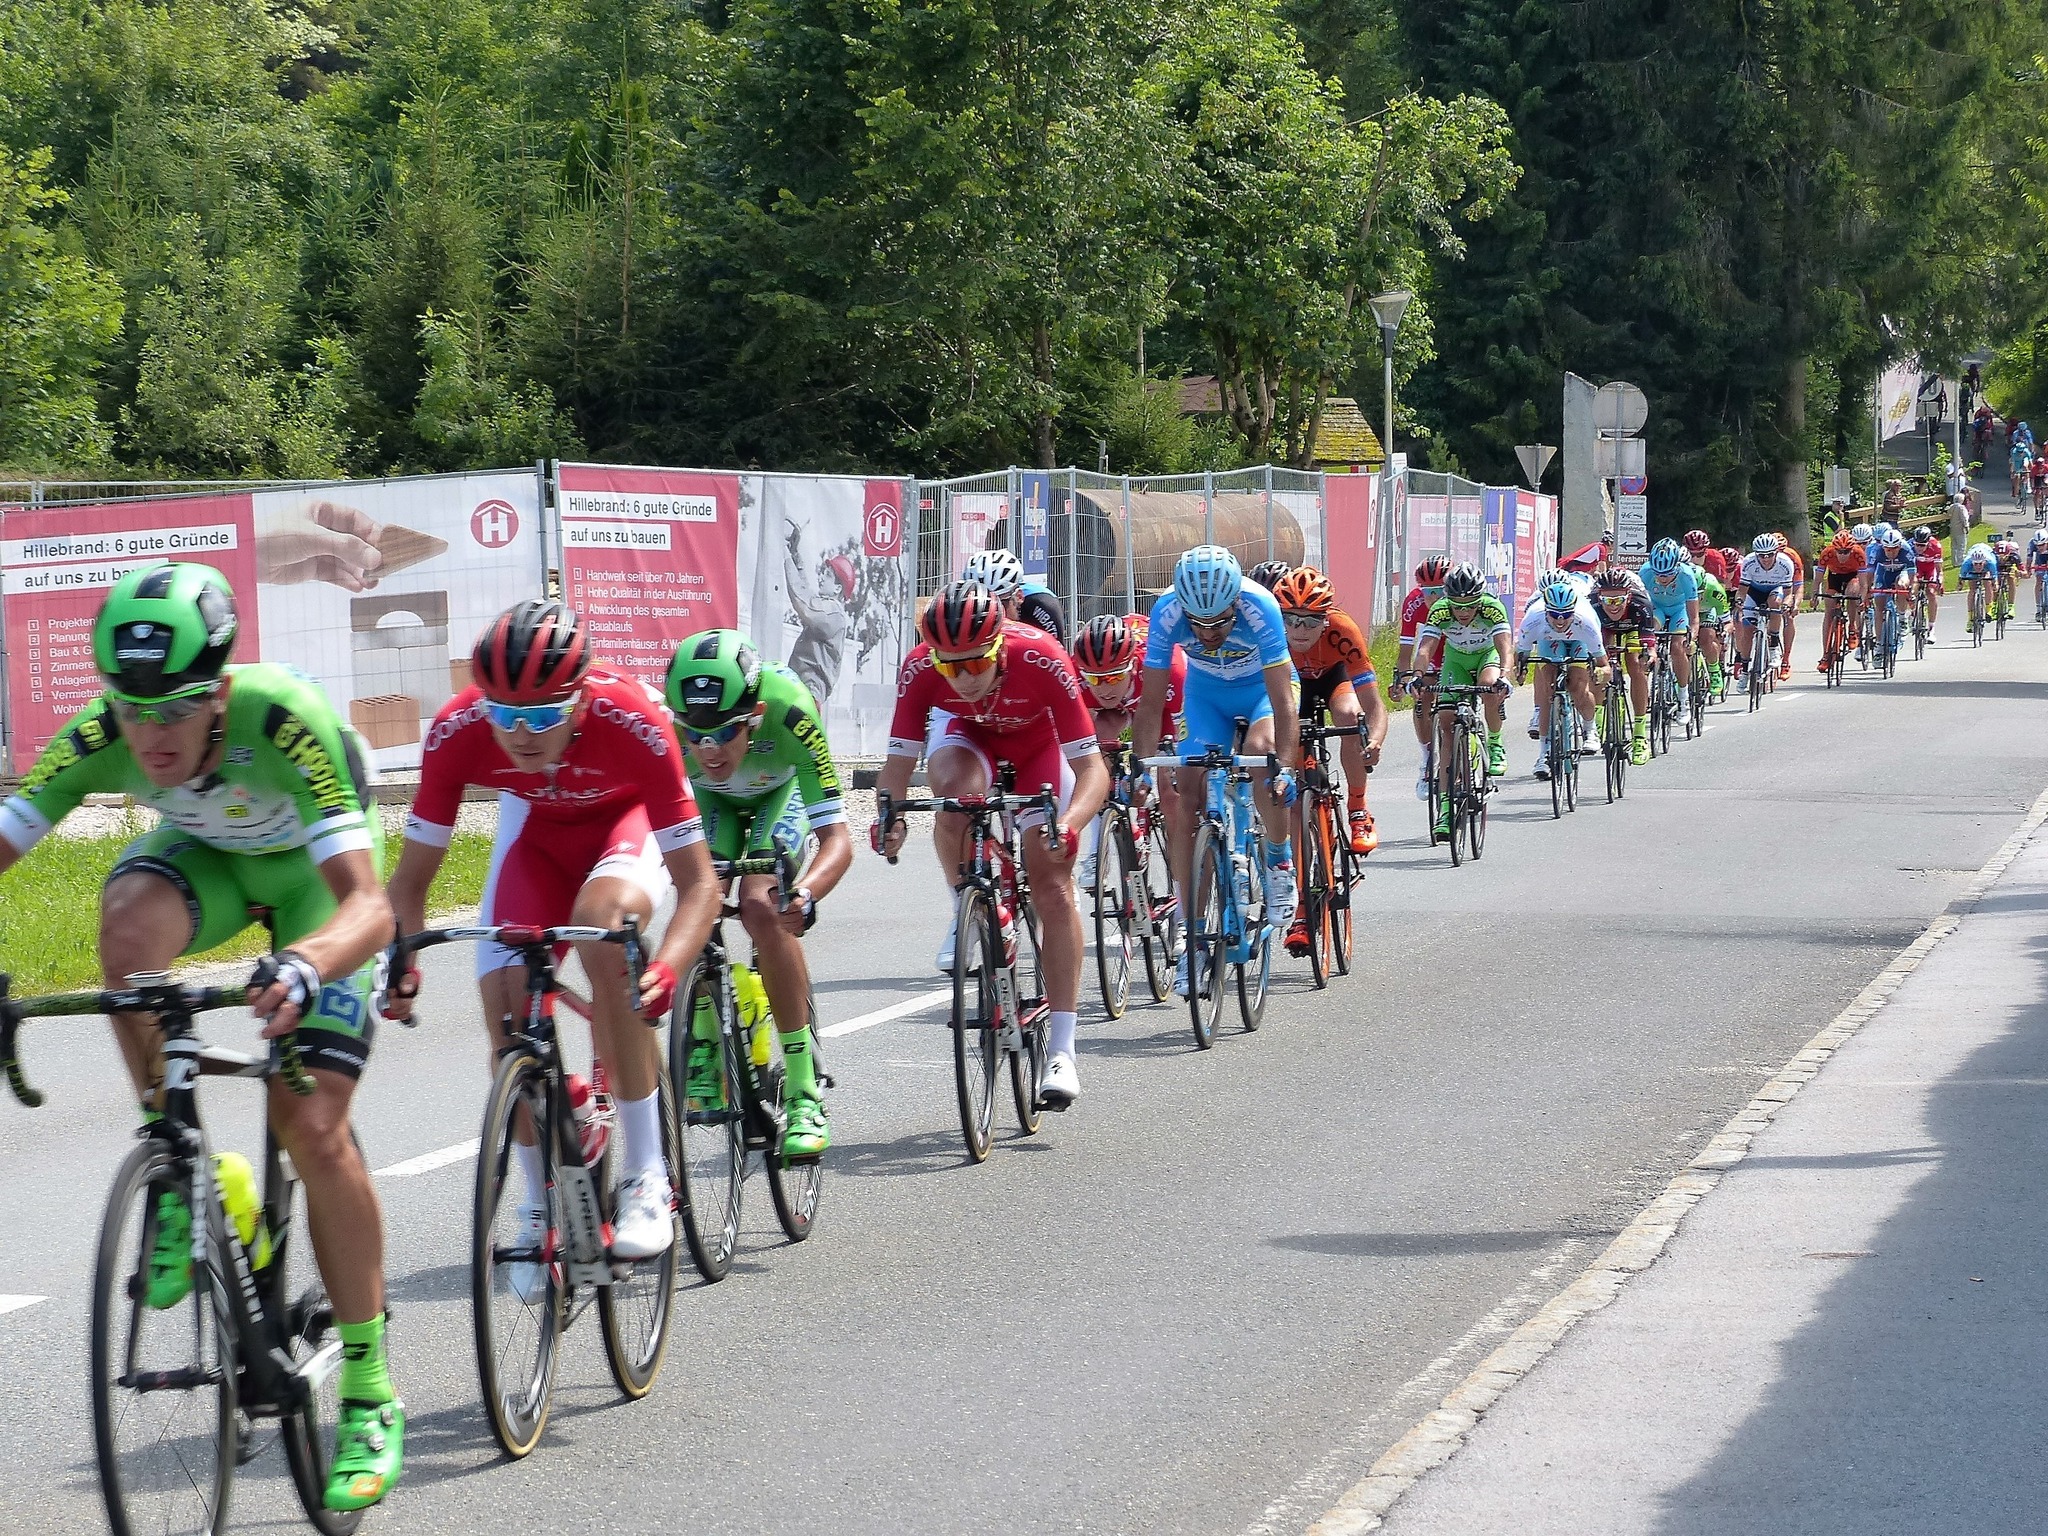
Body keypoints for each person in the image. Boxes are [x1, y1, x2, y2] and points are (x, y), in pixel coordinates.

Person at [0, 562, 403, 1511]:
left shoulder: (282, 717)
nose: (150, 735)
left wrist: (307, 966)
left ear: (218, 689)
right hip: (212, 865)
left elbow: (370, 907)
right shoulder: (110, 732)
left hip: (316, 888)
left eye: (176, 709)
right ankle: (181, 1159)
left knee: (310, 1122)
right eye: (132, 710)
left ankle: (370, 1385)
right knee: (125, 931)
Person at [386, 601, 721, 1281]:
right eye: (505, 716)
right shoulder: (458, 730)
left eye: (542, 717)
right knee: (507, 1007)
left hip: (623, 826)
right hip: (538, 836)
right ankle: (538, 1208)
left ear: (580, 698)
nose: (522, 734)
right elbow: (411, 882)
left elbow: (701, 887)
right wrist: (403, 957)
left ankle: (645, 1175)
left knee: (603, 927)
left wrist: (669, 966)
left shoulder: (633, 719)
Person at [875, 582, 1107, 1101]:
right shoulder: (920, 669)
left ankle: (1064, 1051)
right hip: (969, 738)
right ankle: (971, 903)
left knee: (1051, 883)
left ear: (1000, 648)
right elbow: (896, 768)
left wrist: (1067, 824)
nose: (963, 678)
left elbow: (1093, 772)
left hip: (1039, 748)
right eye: (949, 667)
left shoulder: (1042, 658)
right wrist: (888, 818)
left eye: (975, 665)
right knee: (953, 800)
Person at [664, 629, 853, 1160]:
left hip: (779, 790)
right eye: (694, 734)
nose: (708, 748)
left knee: (759, 904)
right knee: (696, 898)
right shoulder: (672, 732)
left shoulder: (791, 711)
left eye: (724, 732)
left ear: (755, 713)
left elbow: (837, 839)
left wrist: (808, 894)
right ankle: (707, 1033)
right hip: (710, 799)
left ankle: (802, 1092)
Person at [1130, 547, 1300, 997]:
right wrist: (1142, 770)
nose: (1208, 632)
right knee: (1186, 785)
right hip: (1207, 697)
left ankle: (1279, 859)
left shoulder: (1260, 606)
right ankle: (1191, 935)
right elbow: (1149, 705)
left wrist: (1284, 767)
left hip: (1260, 694)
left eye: (1220, 622)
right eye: (1198, 624)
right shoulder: (1167, 612)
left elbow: (1284, 703)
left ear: (1234, 605)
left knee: (1261, 751)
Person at [1270, 566, 1386, 862]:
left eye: (1310, 622)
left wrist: (1373, 741)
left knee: (1349, 715)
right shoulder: (1269, 632)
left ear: (1326, 619)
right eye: (1291, 620)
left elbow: (1373, 704)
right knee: (1290, 751)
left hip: (1334, 678)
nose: (1299, 630)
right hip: (1294, 686)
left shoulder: (1343, 629)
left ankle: (1358, 809)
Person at [1069, 612, 1183, 886]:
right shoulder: (1074, 675)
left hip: (1158, 707)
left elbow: (1180, 729)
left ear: (1131, 666)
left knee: (1171, 791)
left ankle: (1183, 889)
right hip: (1117, 712)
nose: (1104, 688)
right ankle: (1100, 848)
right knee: (1095, 752)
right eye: (1095, 680)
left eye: (1113, 678)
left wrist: (1153, 771)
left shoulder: (1168, 668)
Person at [1412, 562, 1513, 839]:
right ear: (1449, 601)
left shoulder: (1492, 607)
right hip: (1455, 660)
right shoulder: (1440, 610)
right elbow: (1425, 647)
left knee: (1489, 686)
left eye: (1470, 605)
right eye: (1458, 606)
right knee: (1445, 725)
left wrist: (1505, 675)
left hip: (1486, 656)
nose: (1465, 612)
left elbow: (1505, 646)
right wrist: (1418, 675)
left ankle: (1494, 743)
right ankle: (1445, 811)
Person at [1514, 578, 1602, 777]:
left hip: (1579, 639)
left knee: (1578, 686)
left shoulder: (1585, 619)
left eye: (1565, 615)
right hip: (1549, 640)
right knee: (1548, 692)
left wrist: (1601, 672)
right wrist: (1520, 672)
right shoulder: (1533, 619)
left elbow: (1602, 662)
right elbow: (1521, 656)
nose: (1560, 620)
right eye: (1554, 615)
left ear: (1574, 610)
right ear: (1546, 611)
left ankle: (1590, 729)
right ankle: (1544, 754)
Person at [1390, 557, 1451, 801]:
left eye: (1440, 591)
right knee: (1422, 696)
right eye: (1429, 591)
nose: (1434, 597)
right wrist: (1403, 681)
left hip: (1459, 649)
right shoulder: (1413, 603)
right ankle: (1427, 760)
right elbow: (1406, 653)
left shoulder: (1461, 600)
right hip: (1431, 651)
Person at [1590, 567, 1656, 765]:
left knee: (1637, 665)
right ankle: (1599, 719)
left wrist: (1650, 655)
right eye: (1607, 601)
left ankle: (1639, 735)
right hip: (1604, 628)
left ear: (1628, 596)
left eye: (1618, 600)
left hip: (1634, 627)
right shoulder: (1590, 604)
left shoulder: (1641, 604)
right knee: (1596, 669)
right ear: (1599, 597)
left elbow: (1649, 644)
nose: (1613, 606)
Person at [961, 546, 1066, 646]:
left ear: (1019, 597)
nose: (992, 613)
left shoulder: (1042, 604)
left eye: (1001, 604)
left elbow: (1057, 655)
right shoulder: (962, 607)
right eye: (981, 606)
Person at [1733, 533, 1800, 688]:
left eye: (1769, 554)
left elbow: (1788, 593)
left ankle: (1774, 644)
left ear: (1776, 553)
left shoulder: (1785, 563)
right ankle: (1744, 670)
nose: (1765, 558)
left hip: (1774, 591)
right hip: (1753, 592)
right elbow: (1742, 590)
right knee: (1747, 629)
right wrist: (1739, 601)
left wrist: (1787, 604)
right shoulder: (1749, 562)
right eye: (1761, 555)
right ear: (1756, 554)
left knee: (1775, 603)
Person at [1640, 539, 1701, 693]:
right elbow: (1639, 607)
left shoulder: (1686, 575)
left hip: (1679, 611)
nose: (1663, 578)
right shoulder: (1645, 573)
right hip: (1657, 608)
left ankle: (1682, 696)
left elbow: (1694, 618)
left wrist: (1691, 637)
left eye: (1668, 573)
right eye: (1658, 574)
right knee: (1650, 631)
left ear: (1677, 566)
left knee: (1677, 647)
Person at [1813, 528, 1868, 670]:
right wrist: (1814, 595)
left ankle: (1852, 628)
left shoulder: (1858, 553)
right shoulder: (1827, 553)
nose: (1843, 555)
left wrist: (1862, 598)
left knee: (1852, 592)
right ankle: (1826, 654)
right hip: (1834, 577)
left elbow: (1863, 582)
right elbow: (1818, 578)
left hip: (1852, 576)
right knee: (1829, 611)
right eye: (1840, 552)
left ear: (1852, 549)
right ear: (1834, 549)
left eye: (1846, 552)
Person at [1867, 527, 1914, 658]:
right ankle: (1879, 644)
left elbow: (1912, 576)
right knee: (1879, 606)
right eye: (1888, 549)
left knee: (1901, 585)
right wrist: (1867, 591)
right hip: (1884, 574)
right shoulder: (1877, 552)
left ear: (1900, 546)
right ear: (1883, 546)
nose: (1891, 552)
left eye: (1894, 549)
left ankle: (1902, 617)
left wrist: (1911, 592)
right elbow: (1869, 574)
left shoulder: (1906, 551)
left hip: (1901, 572)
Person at [1911, 526, 1945, 641]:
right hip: (1917, 568)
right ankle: (1913, 612)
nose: (1919, 548)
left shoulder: (1936, 546)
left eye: (1922, 545)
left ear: (1928, 542)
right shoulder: (1909, 545)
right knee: (1912, 588)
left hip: (1931, 569)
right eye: (1917, 545)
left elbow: (1939, 570)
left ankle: (1931, 628)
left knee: (1931, 593)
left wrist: (1940, 580)